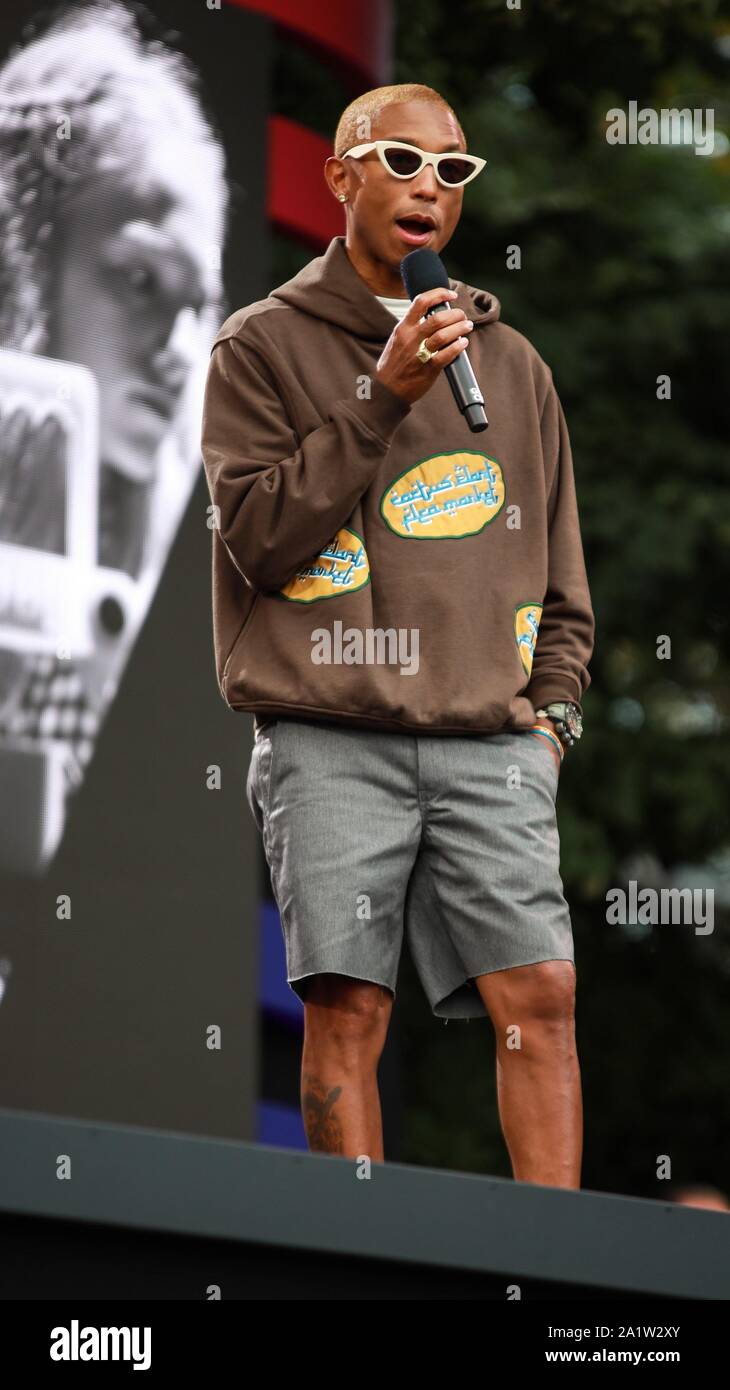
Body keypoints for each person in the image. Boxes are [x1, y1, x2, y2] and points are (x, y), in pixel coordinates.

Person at [201, 82, 595, 1185]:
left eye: (453, 170)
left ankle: (554, 1272)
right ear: (341, 178)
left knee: (543, 1002)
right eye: (402, 160)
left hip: (492, 740)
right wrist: (380, 397)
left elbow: (561, 579)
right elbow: (262, 543)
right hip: (330, 730)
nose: (430, 186)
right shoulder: (260, 346)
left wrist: (549, 721)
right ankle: (360, 1259)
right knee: (346, 1004)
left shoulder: (510, 364)